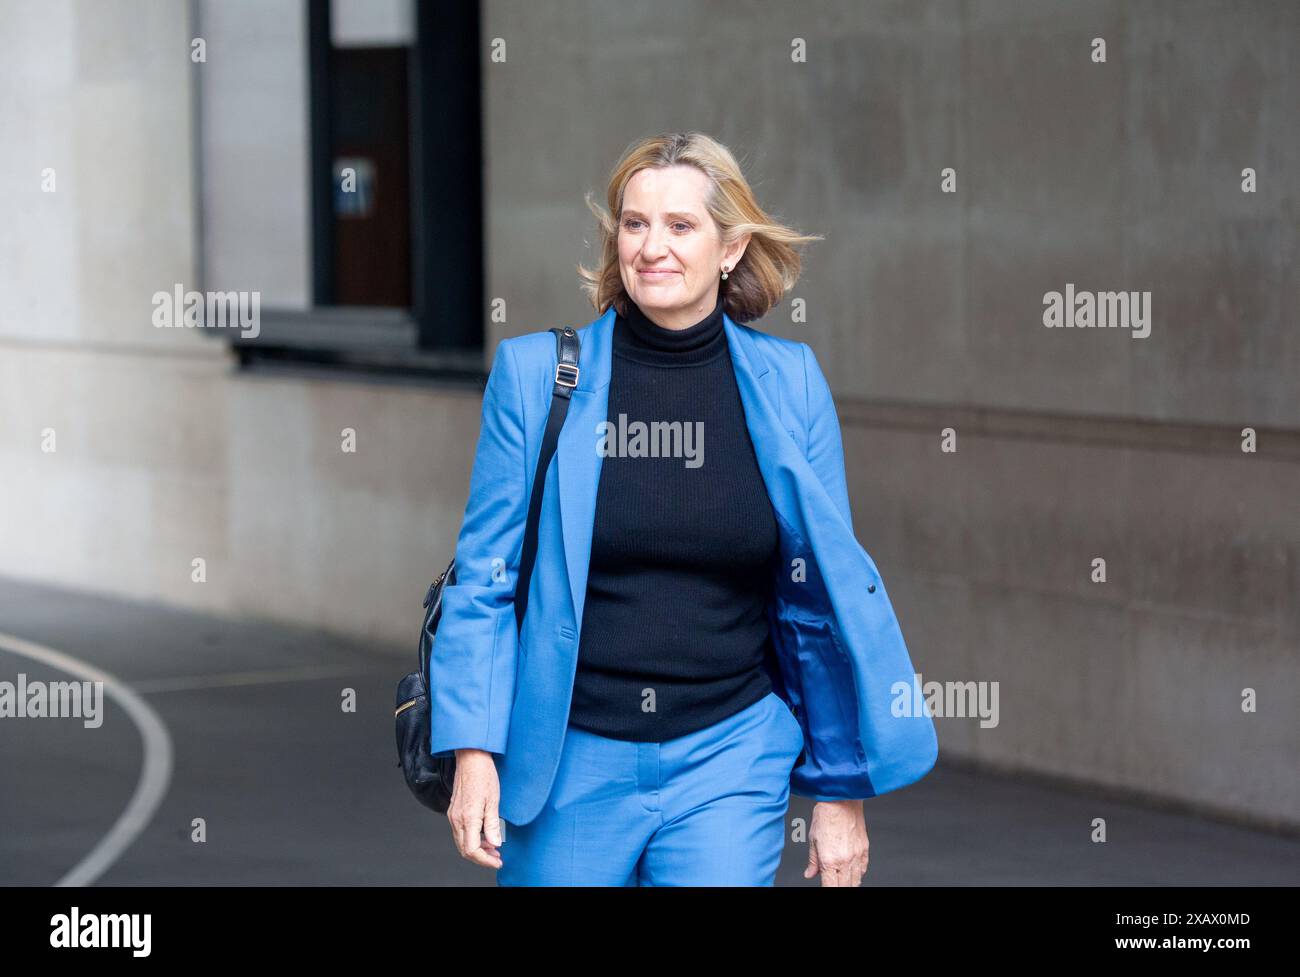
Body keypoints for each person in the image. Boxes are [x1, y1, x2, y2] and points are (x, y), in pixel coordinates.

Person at [430, 131, 938, 886]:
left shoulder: (791, 384)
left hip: (728, 755)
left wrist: (838, 791)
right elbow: (484, 578)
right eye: (634, 224)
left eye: (680, 225)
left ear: (729, 248)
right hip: (567, 759)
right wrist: (473, 751)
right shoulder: (538, 377)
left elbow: (818, 602)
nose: (651, 247)